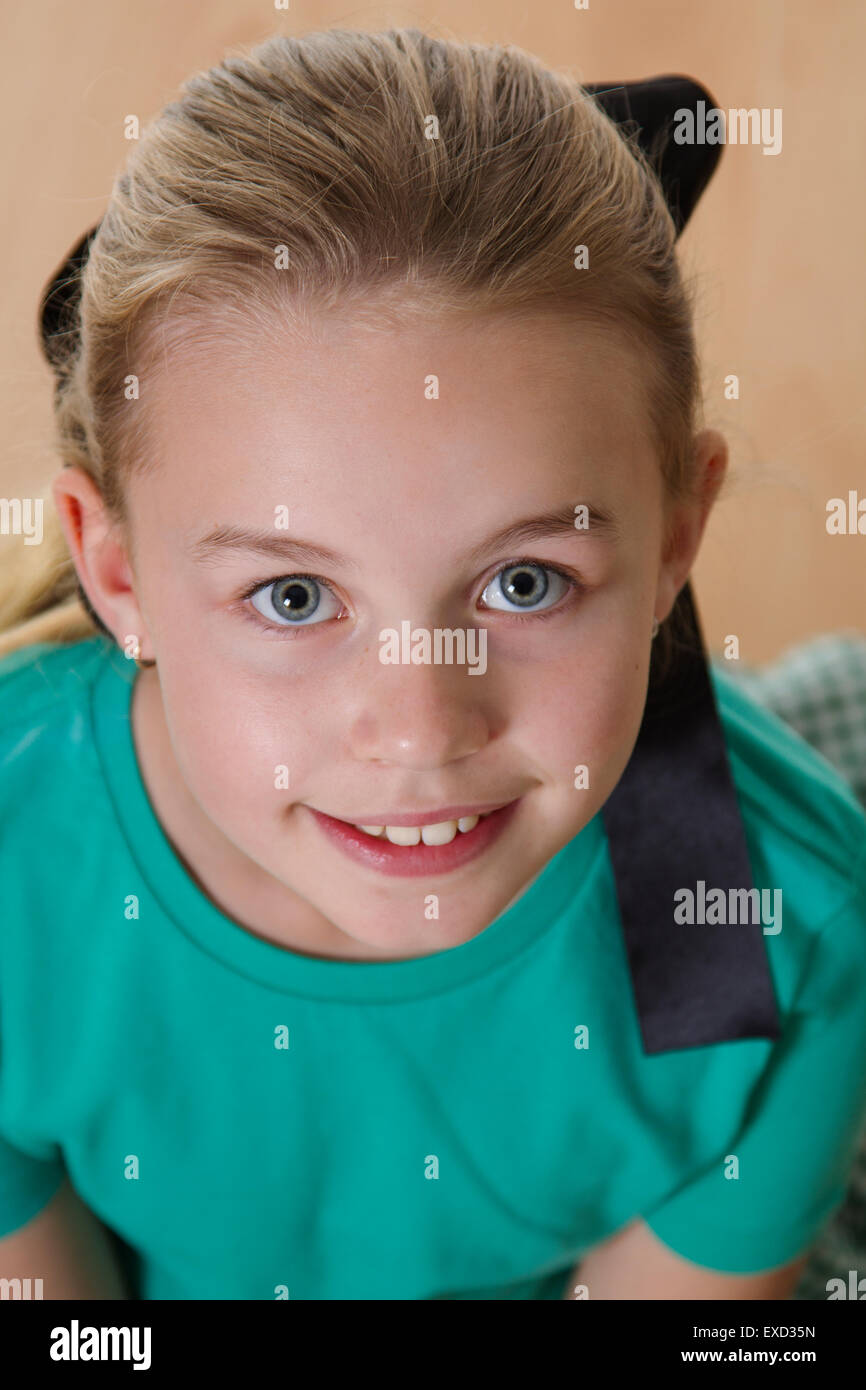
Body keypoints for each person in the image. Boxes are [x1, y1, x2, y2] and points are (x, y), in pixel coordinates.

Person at [1, 28, 864, 1301]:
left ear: (676, 534)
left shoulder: (764, 928)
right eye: (293, 596)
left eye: (525, 583)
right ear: (116, 574)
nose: (418, 732)